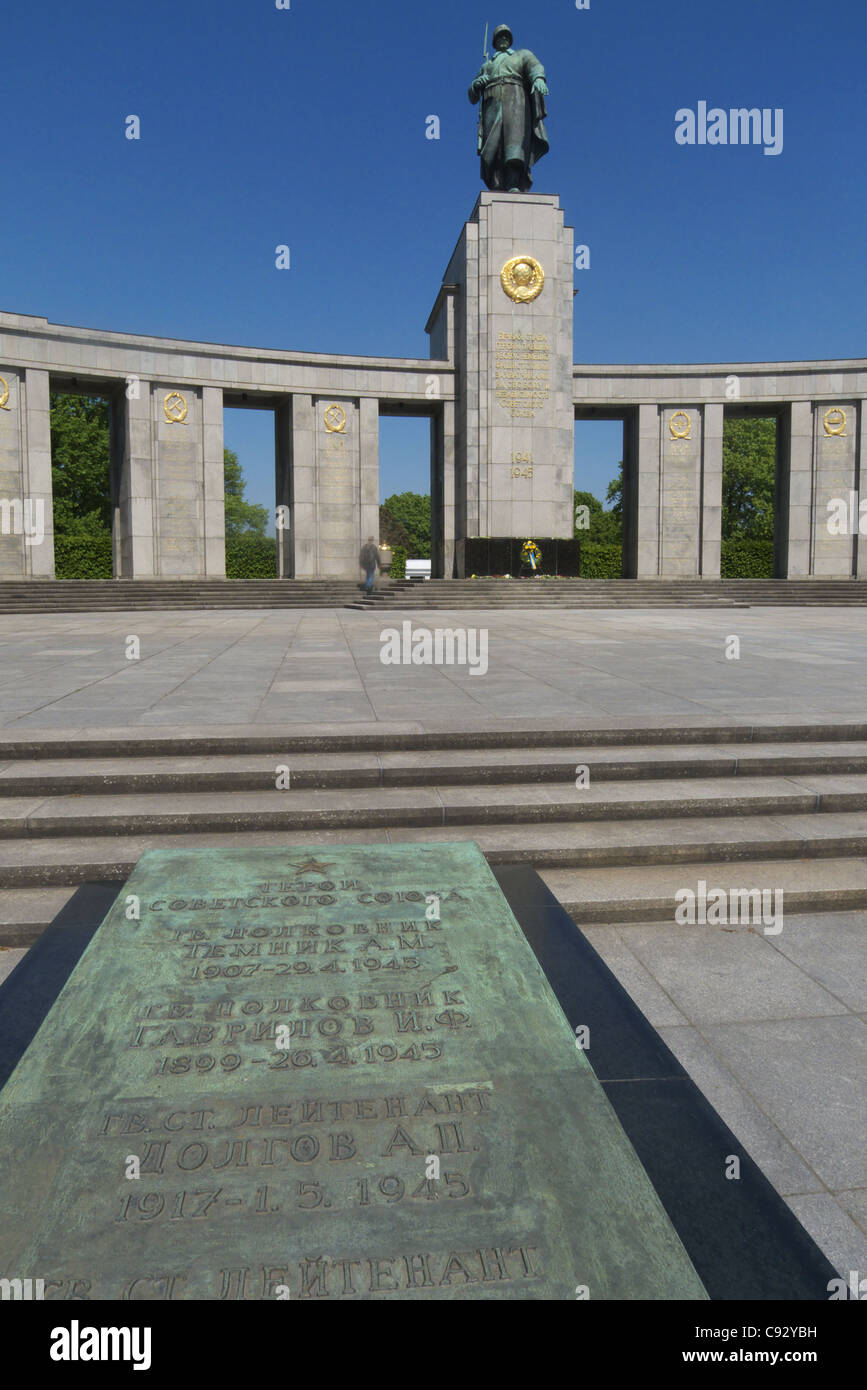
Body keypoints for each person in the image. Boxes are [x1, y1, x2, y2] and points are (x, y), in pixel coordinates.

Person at [468, 24, 549, 193]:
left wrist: (538, 79)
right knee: (493, 148)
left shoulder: (522, 55)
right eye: (500, 36)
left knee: (515, 144)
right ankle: (497, 185)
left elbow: (535, 66)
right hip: (492, 103)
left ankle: (513, 183)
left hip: (516, 101)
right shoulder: (487, 65)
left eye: (506, 36)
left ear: (510, 39)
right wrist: (476, 85)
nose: (503, 38)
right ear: (494, 41)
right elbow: (472, 96)